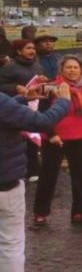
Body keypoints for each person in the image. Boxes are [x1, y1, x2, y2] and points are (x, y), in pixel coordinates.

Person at [0, 82, 70, 272]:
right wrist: (63, 101)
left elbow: (9, 112)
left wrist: (20, 100)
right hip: (5, 184)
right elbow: (41, 121)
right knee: (10, 248)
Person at [32, 56, 82, 225]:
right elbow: (42, 113)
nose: (72, 70)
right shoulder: (52, 88)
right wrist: (51, 134)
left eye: (75, 67)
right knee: (49, 175)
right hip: (56, 137)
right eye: (68, 67)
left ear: (81, 70)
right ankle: (40, 212)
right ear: (61, 70)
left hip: (79, 136)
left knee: (81, 174)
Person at [0, 39, 45, 182]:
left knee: (33, 138)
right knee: (17, 140)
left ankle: (34, 169)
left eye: (33, 48)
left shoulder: (37, 66)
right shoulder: (10, 67)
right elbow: (2, 85)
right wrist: (16, 87)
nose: (32, 51)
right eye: (28, 48)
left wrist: (44, 81)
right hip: (15, 107)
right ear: (19, 51)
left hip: (35, 106)